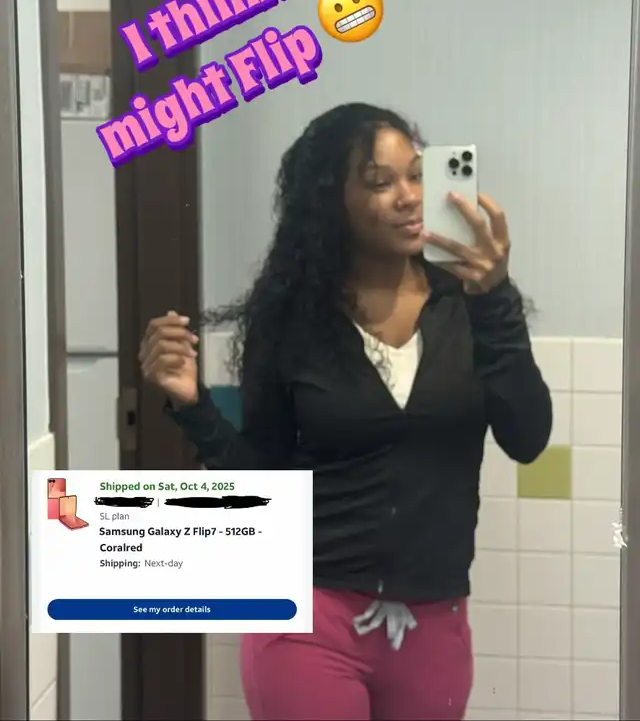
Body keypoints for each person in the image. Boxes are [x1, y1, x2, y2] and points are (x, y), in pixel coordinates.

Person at [139, 103, 553, 721]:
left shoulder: (468, 305)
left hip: (434, 621)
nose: (410, 197)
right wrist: (193, 406)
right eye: (381, 182)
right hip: (310, 616)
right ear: (331, 201)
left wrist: (494, 301)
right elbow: (263, 482)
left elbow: (528, 437)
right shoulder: (293, 321)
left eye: (417, 175)